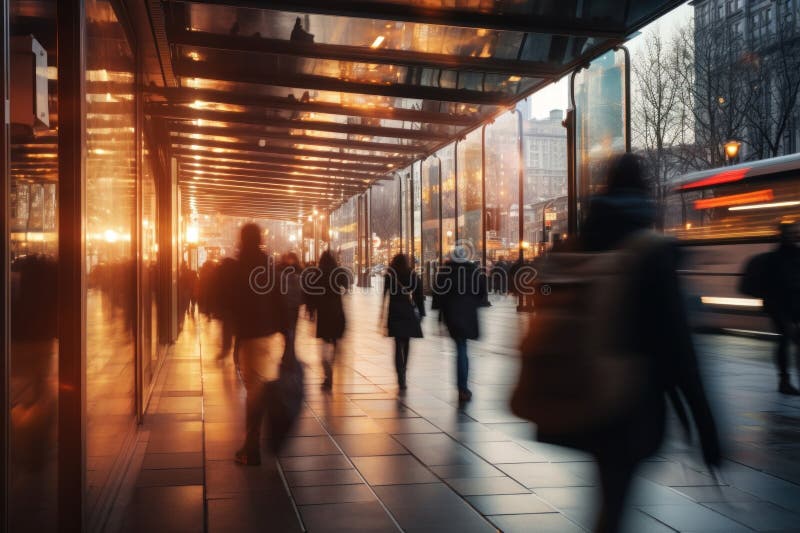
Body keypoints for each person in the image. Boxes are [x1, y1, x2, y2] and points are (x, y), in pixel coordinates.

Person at [579, 154, 720, 533]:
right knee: (616, 498)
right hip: (632, 395)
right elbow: (677, 343)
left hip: (584, 386)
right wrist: (704, 423)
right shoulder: (651, 250)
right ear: (643, 188)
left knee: (609, 493)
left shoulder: (585, 240)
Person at [232, 223, 286, 466]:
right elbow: (278, 298)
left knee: (254, 390)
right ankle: (260, 438)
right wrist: (285, 332)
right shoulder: (268, 263)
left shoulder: (240, 264)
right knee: (262, 386)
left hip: (249, 334)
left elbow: (234, 302)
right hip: (269, 334)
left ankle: (252, 446)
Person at [432, 246, 487, 402]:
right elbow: (482, 293)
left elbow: (438, 294)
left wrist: (439, 315)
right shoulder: (474, 271)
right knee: (463, 347)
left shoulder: (445, 271)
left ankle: (462, 387)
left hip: (452, 314)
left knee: (460, 346)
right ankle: (463, 387)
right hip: (468, 313)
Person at [762, 222, 800, 395]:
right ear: (782, 235)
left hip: (793, 306)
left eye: (795, 233)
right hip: (780, 308)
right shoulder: (775, 259)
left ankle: (785, 381)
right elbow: (771, 287)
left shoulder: (792, 255)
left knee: (787, 341)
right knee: (785, 340)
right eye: (790, 233)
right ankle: (784, 381)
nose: (794, 236)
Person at [306, 250, 348, 390]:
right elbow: (346, 284)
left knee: (324, 343)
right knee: (335, 340)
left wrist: (311, 311)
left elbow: (311, 293)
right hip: (336, 311)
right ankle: (333, 360)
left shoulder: (318, 273)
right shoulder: (338, 272)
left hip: (324, 313)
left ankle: (327, 374)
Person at [382, 254, 425, 391]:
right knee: (406, 342)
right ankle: (404, 370)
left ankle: (400, 374)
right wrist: (421, 312)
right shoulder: (412, 274)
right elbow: (419, 294)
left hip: (394, 311)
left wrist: (381, 315)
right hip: (408, 311)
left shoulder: (390, 275)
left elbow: (384, 295)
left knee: (397, 343)